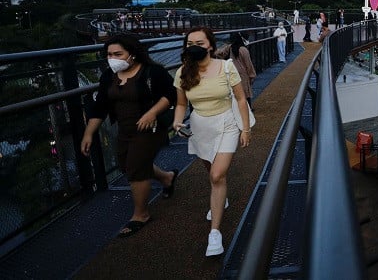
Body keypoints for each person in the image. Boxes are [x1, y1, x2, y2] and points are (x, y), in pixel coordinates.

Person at [80, 34, 178, 238]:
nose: (112, 58)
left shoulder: (153, 72)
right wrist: (89, 133)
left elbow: (171, 95)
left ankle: (140, 215)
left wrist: (152, 113)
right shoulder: (109, 76)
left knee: (135, 168)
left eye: (118, 54)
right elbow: (100, 107)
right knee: (127, 165)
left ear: (132, 54)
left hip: (150, 129)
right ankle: (167, 177)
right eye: (109, 54)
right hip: (125, 130)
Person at [172, 27, 251, 257]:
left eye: (199, 42)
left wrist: (245, 129)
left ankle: (214, 234)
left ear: (211, 46)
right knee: (210, 168)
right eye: (189, 43)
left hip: (227, 123)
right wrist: (178, 122)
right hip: (199, 126)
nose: (194, 46)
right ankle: (220, 198)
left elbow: (240, 98)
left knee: (217, 175)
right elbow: (181, 104)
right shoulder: (182, 73)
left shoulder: (226, 67)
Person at [216, 33, 257, 110]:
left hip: (232, 71)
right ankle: (248, 108)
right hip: (243, 73)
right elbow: (248, 64)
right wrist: (252, 75)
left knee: (235, 91)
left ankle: (237, 108)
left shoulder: (230, 48)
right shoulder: (243, 50)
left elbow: (220, 53)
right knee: (245, 92)